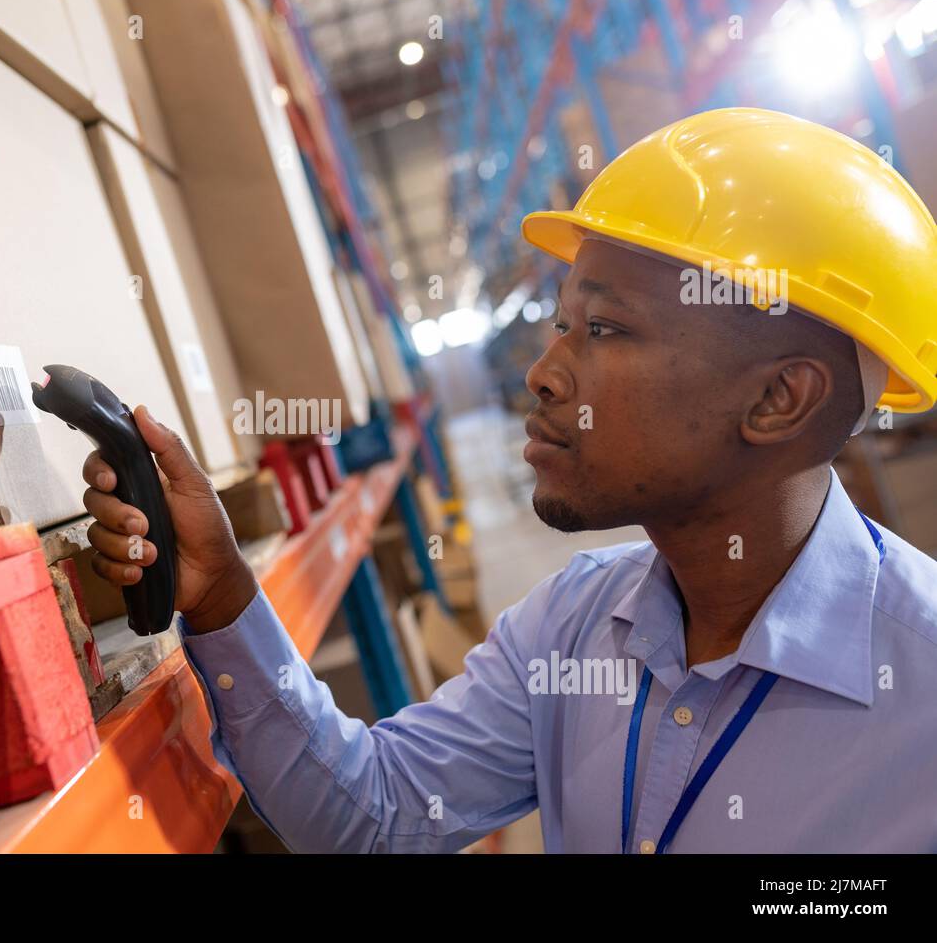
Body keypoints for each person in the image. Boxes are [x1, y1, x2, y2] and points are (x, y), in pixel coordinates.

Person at [80, 109, 937, 853]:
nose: (545, 373)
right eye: (562, 323)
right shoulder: (573, 627)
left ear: (779, 398)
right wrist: (225, 594)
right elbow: (376, 818)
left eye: (604, 327)